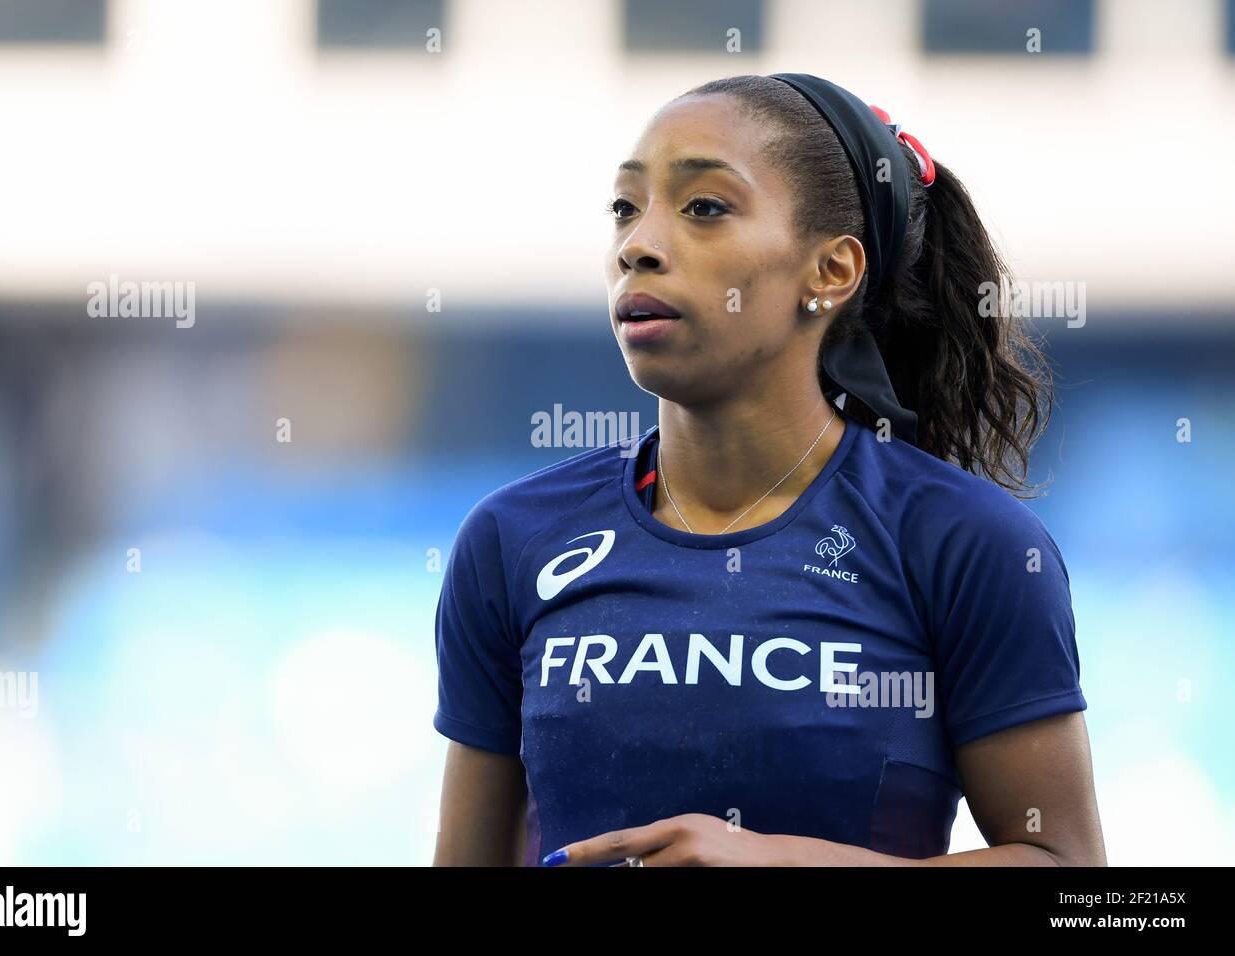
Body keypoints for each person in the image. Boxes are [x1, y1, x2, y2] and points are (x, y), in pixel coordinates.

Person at [431, 73, 1106, 867]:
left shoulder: (966, 543)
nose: (636, 245)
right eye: (624, 207)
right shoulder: (513, 538)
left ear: (831, 272)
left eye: (704, 208)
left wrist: (779, 861)